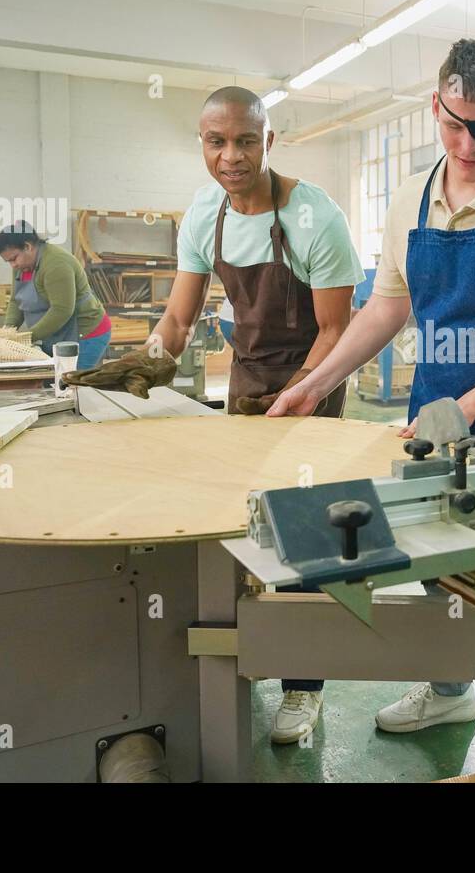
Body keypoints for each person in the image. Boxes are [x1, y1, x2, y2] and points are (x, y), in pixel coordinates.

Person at [270, 38, 475, 771]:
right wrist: (314, 382)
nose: (468, 144)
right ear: (434, 108)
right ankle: (449, 688)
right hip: (431, 423)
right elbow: (386, 309)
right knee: (440, 566)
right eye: (454, 125)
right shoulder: (412, 199)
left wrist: (470, 407)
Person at [68, 86, 363, 745]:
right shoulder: (207, 214)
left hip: (316, 377)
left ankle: (303, 687)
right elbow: (177, 317)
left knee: (306, 533)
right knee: (240, 521)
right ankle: (250, 650)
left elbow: (336, 327)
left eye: (245, 140)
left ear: (268, 141)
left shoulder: (316, 216)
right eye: (215, 141)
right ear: (201, 143)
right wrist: (140, 368)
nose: (231, 156)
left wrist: (298, 400)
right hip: (250, 376)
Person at [0, 221, 112, 368]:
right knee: (52, 382)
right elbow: (16, 301)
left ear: (28, 247)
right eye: (8, 261)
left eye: (13, 258)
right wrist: (8, 330)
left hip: (85, 334)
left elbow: (62, 310)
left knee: (70, 384)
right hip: (56, 334)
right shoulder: (22, 265)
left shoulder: (56, 264)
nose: (12, 265)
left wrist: (26, 337)